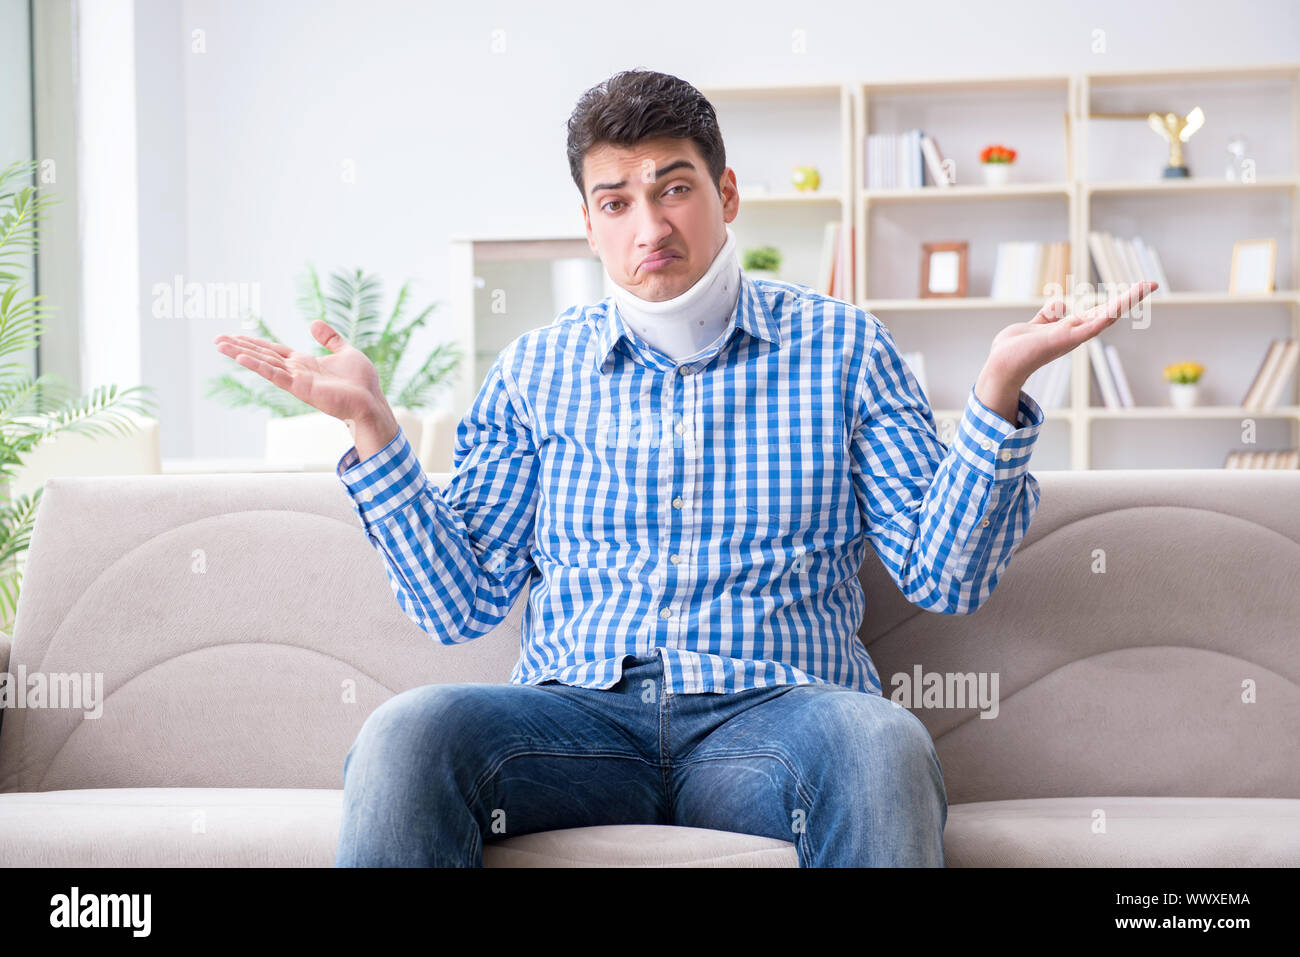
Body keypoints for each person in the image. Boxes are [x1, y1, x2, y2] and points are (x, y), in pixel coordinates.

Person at [213, 69, 1156, 867]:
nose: (648, 225)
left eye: (674, 188)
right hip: (573, 724)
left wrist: (996, 393)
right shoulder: (537, 370)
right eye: (616, 202)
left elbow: (944, 576)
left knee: (880, 742)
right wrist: (374, 426)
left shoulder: (844, 350)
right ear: (589, 223)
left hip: (779, 716)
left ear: (727, 194)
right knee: (404, 733)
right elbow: (456, 604)